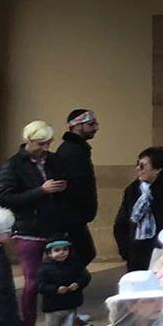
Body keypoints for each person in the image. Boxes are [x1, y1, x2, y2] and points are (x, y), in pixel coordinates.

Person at [0, 119, 68, 326]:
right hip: (28, 228)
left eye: (49, 143)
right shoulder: (13, 165)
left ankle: (65, 320)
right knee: (32, 282)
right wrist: (41, 191)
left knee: (62, 275)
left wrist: (63, 189)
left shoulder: (54, 160)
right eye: (41, 144)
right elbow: (5, 197)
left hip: (54, 225)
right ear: (28, 140)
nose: (46, 148)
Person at [57, 108, 101, 280]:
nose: (96, 128)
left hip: (76, 216)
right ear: (77, 126)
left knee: (83, 253)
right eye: (91, 124)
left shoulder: (78, 150)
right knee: (83, 253)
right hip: (71, 216)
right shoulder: (70, 151)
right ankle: (64, 284)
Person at [34, 234, 88, 326]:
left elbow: (85, 277)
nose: (62, 253)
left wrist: (78, 284)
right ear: (49, 253)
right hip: (53, 306)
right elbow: (40, 286)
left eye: (65, 249)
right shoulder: (44, 269)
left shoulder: (75, 264)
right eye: (57, 250)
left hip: (71, 304)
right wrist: (55, 289)